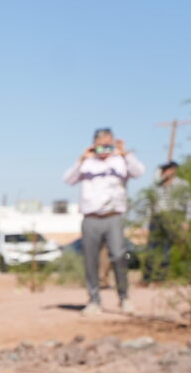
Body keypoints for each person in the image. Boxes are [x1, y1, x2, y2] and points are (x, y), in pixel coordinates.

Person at [62, 128, 145, 313]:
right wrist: (81, 159)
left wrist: (125, 154)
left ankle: (124, 297)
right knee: (90, 260)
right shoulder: (87, 163)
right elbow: (67, 179)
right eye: (101, 146)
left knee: (119, 256)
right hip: (90, 217)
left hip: (113, 216)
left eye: (109, 145)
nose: (105, 149)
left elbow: (139, 172)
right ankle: (94, 300)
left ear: (113, 143)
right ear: (94, 145)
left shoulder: (120, 161)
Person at [143, 162, 185, 286]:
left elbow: (188, 203)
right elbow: (150, 206)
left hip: (172, 217)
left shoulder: (182, 185)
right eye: (163, 170)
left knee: (166, 249)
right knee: (151, 249)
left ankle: (161, 278)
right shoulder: (157, 186)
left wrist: (185, 221)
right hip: (156, 219)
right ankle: (147, 278)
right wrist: (145, 225)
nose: (164, 173)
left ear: (173, 170)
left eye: (166, 170)